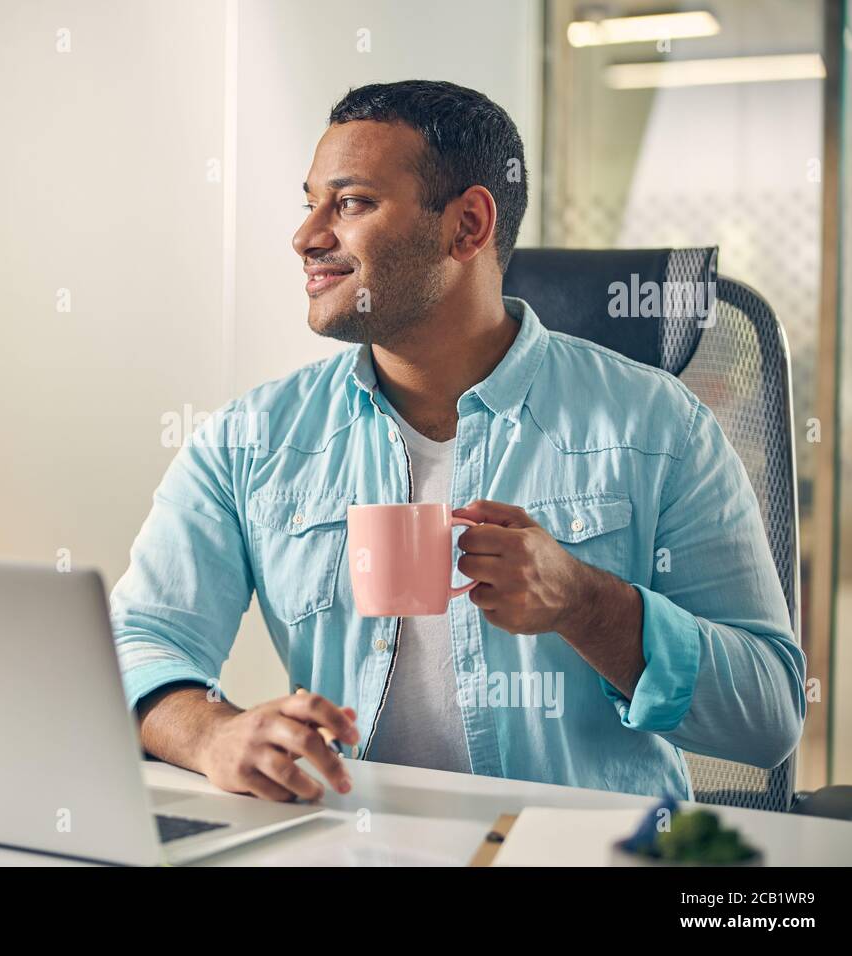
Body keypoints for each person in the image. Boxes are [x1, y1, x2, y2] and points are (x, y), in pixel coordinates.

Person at [110, 79, 805, 802]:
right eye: (310, 201)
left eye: (349, 204)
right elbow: (137, 644)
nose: (307, 235)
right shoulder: (249, 440)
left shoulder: (659, 425)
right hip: (351, 850)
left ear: (467, 225)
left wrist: (588, 606)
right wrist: (213, 733)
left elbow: (769, 716)